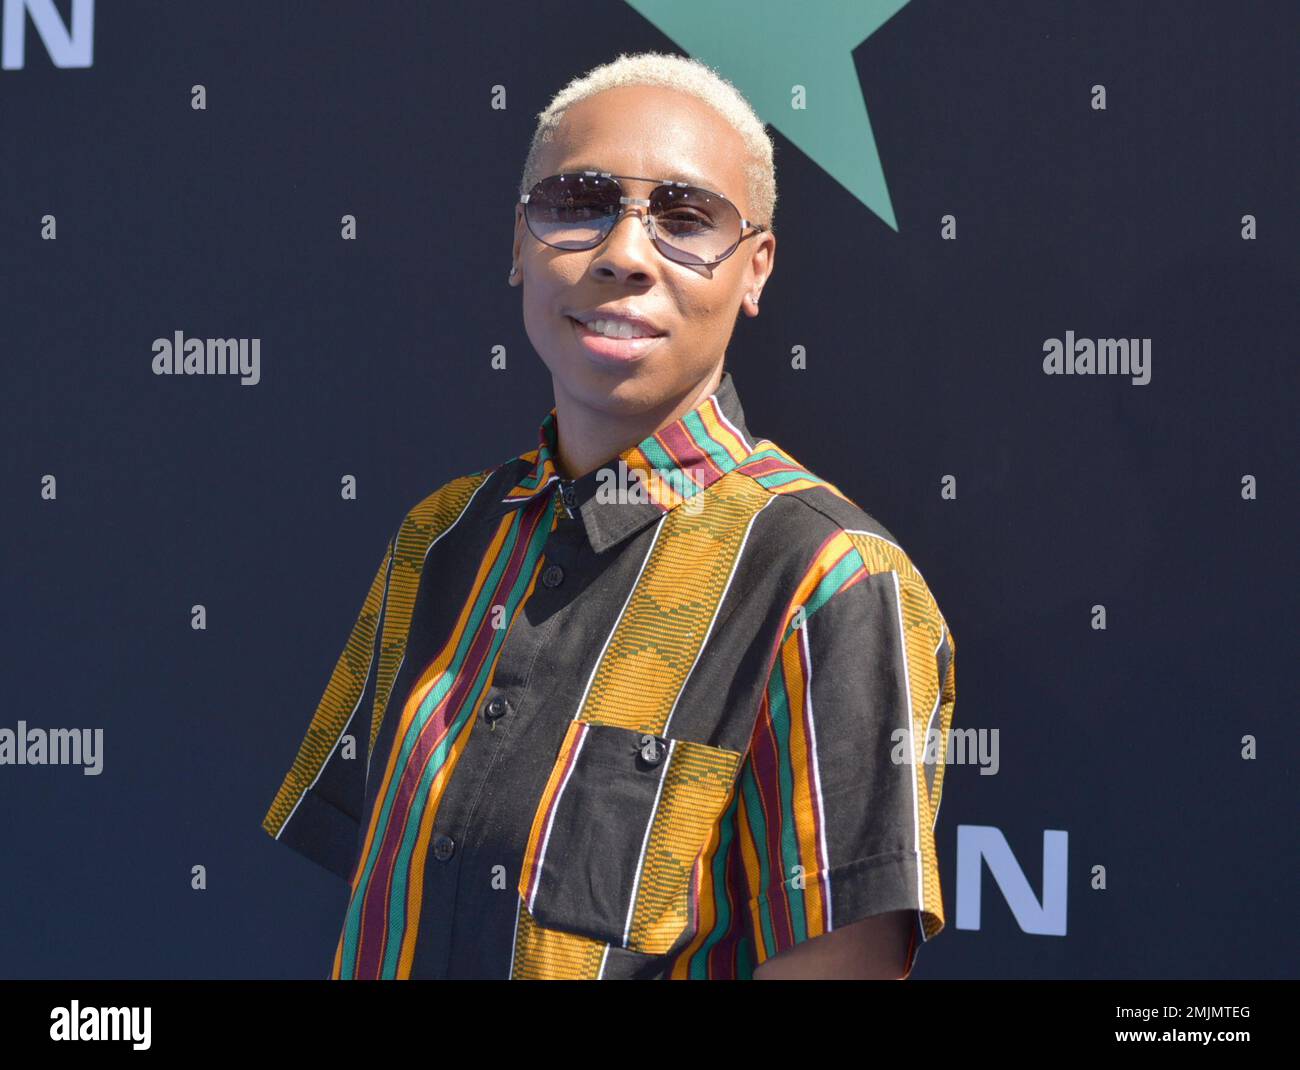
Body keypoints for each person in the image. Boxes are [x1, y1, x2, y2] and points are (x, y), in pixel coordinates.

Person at [262, 50, 957, 980]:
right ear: (518, 244)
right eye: (580, 203)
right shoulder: (438, 539)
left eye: (686, 218)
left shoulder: (831, 581)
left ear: (754, 271)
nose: (626, 253)